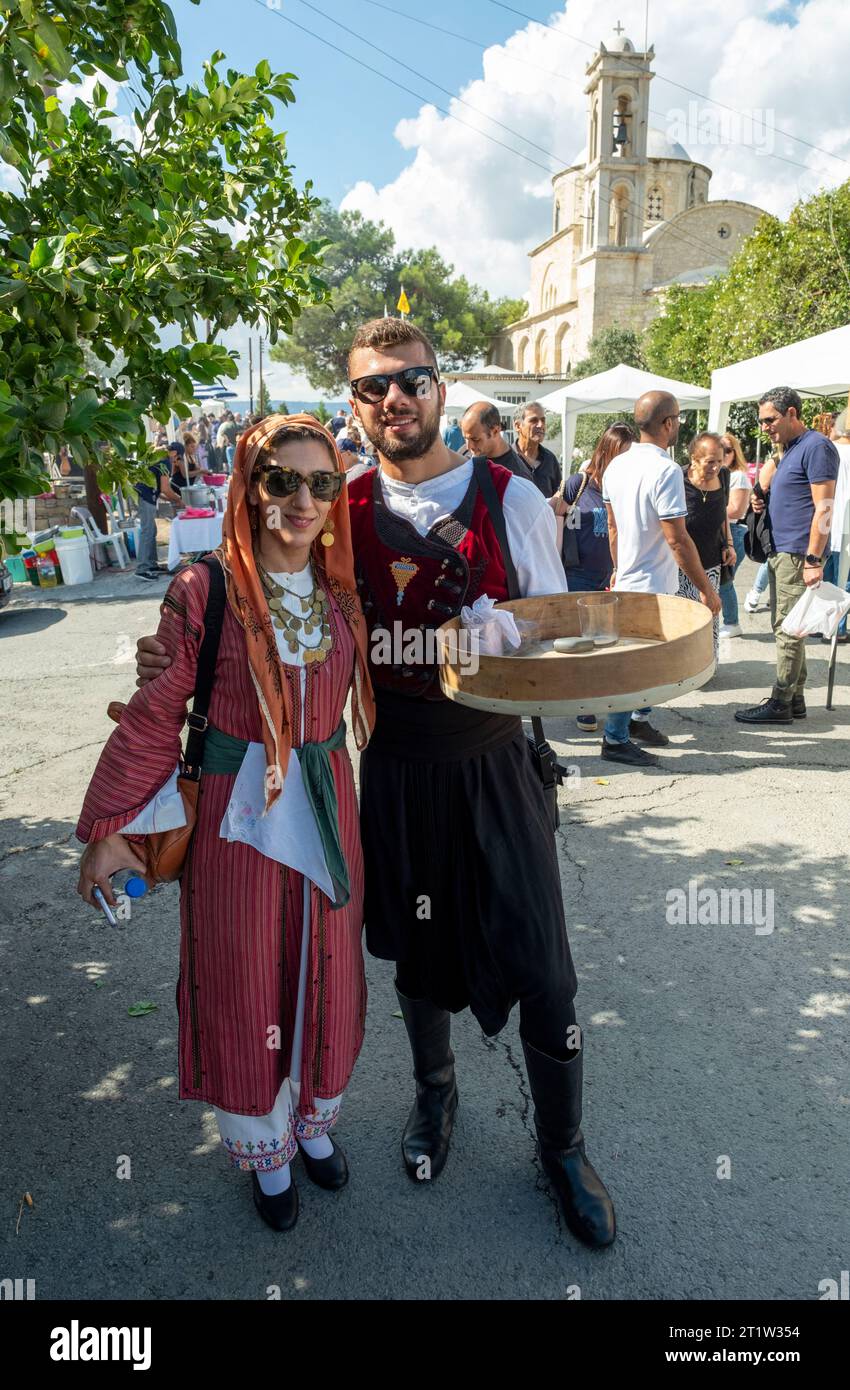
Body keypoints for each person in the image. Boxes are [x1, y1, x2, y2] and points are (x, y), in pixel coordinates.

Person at [136, 318, 616, 1250]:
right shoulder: (335, 504)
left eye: (412, 380)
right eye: (373, 388)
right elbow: (257, 589)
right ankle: (435, 1101)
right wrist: (174, 641)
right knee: (413, 955)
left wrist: (517, 635)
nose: (393, 399)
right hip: (391, 770)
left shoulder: (511, 499)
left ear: (439, 388)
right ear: (354, 404)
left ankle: (562, 1147)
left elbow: (563, 632)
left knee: (547, 970)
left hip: (494, 763)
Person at [77, 416, 375, 1233]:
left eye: (322, 483)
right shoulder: (203, 589)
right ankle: (265, 1152)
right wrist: (109, 826)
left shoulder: (344, 590)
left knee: (326, 969)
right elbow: (156, 712)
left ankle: (314, 1124)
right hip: (235, 815)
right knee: (244, 979)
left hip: (326, 804)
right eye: (284, 480)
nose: (304, 499)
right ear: (249, 485)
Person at [601, 391, 722, 766]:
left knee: (647, 662)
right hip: (652, 587)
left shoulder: (616, 466)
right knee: (639, 666)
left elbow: (613, 527)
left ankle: (636, 721)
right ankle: (615, 738)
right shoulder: (666, 470)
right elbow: (677, 539)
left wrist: (619, 568)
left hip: (629, 582)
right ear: (668, 423)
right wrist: (707, 590)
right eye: (678, 420)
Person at [735, 387, 839, 724]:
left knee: (787, 629)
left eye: (770, 419)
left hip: (798, 553)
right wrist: (759, 496)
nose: (764, 427)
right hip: (783, 552)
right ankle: (794, 700)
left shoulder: (817, 447)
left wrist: (812, 559)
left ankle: (781, 700)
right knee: (790, 625)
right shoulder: (792, 448)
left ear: (792, 413)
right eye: (762, 421)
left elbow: (824, 507)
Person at [551, 422, 631, 733]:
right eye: (621, 455)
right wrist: (553, 563)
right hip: (577, 576)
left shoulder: (625, 488)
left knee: (607, 643)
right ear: (606, 453)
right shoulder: (579, 483)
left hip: (611, 576)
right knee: (583, 644)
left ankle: (599, 699)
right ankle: (584, 705)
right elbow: (555, 513)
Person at [677, 433, 736, 662]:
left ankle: (706, 665)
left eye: (719, 460)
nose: (715, 467)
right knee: (684, 617)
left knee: (709, 613)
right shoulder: (678, 478)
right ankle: (683, 666)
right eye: (709, 461)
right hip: (681, 563)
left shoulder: (724, 476)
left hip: (711, 561)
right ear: (694, 458)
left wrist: (728, 543)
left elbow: (723, 515)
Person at [717, 433, 752, 638]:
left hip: (734, 532)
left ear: (735, 453)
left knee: (725, 580)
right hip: (723, 532)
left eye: (728, 449)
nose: (724, 453)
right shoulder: (720, 475)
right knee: (721, 579)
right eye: (720, 448)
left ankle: (732, 622)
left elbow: (737, 510)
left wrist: (709, 510)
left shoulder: (737, 475)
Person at [822, 411, 850, 641]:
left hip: (828, 521)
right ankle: (838, 627)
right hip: (844, 523)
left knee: (829, 576)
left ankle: (828, 625)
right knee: (845, 579)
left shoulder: (829, 448)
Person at [135, 452, 181, 581]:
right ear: (173, 454)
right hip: (145, 497)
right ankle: (142, 568)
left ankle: (151, 564)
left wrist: (172, 500)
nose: (176, 462)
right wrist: (178, 500)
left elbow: (160, 490)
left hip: (147, 495)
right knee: (147, 531)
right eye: (177, 459)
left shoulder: (159, 461)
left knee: (152, 530)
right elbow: (166, 488)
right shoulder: (165, 462)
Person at [460, 402, 534, 480]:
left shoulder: (518, 476)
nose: (468, 446)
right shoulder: (463, 453)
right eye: (465, 438)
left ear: (495, 431)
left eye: (475, 439)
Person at [514, 402, 562, 497]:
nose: (540, 425)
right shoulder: (506, 459)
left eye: (543, 420)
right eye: (534, 420)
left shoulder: (550, 460)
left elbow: (559, 499)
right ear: (518, 426)